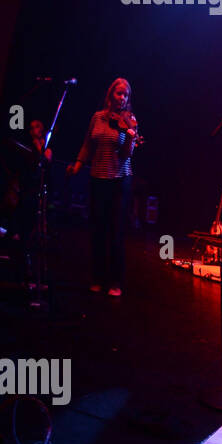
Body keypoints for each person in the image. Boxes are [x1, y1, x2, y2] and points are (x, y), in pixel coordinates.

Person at [67, 79, 139, 297]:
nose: (122, 98)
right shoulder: (97, 117)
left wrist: (130, 138)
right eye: (119, 93)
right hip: (98, 177)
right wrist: (78, 165)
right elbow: (87, 143)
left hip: (119, 179)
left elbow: (127, 155)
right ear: (110, 95)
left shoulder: (131, 122)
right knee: (98, 229)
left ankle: (115, 281)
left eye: (126, 95)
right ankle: (97, 277)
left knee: (115, 231)